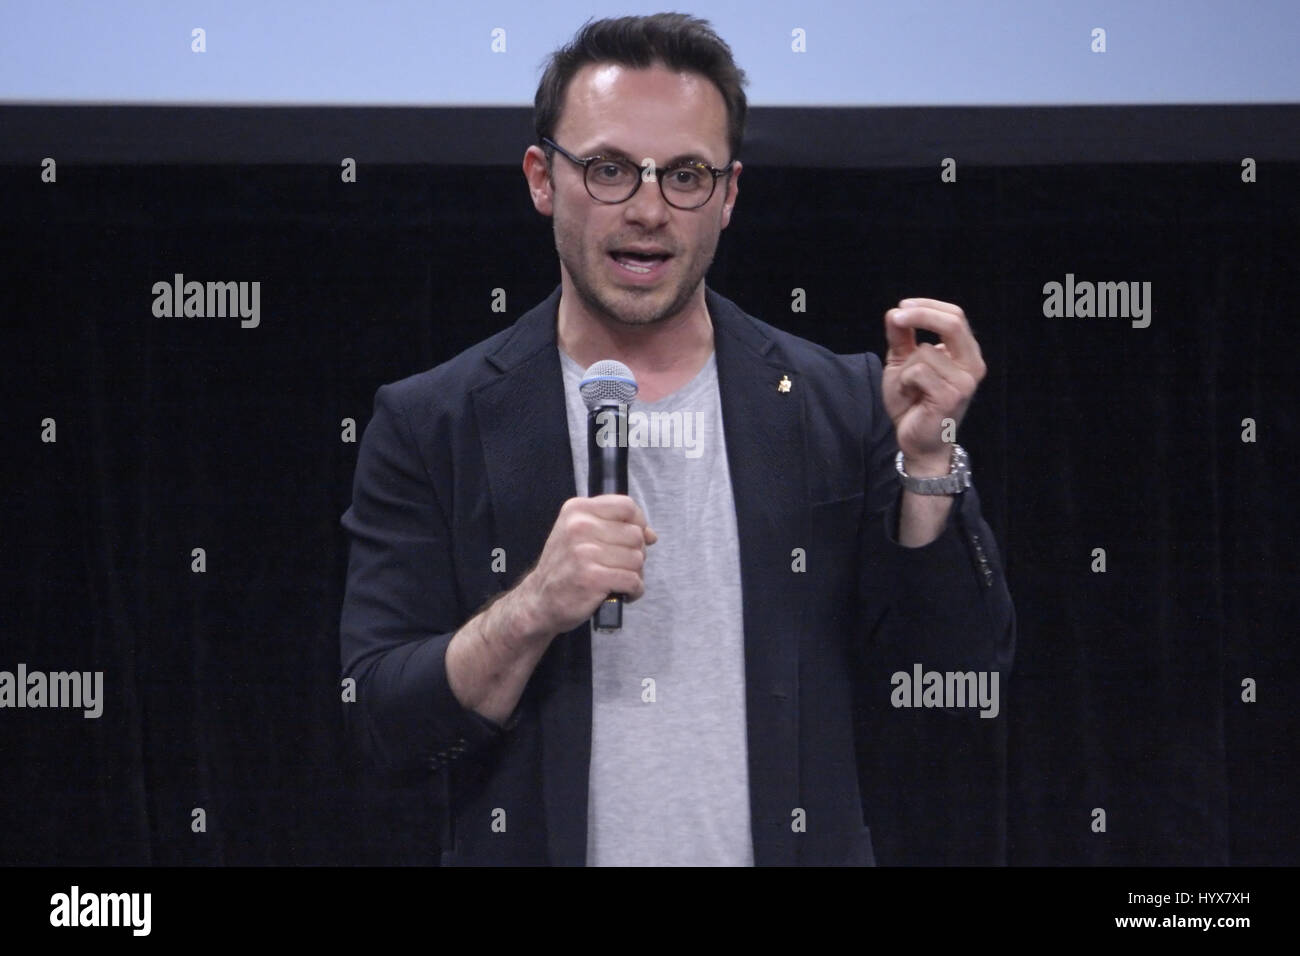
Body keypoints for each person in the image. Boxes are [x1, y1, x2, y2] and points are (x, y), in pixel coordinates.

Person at [339, 12, 1014, 866]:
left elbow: (951, 687)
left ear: (729, 196)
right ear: (543, 179)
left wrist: (925, 467)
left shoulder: (838, 402)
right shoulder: (433, 420)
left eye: (686, 175)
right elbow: (382, 722)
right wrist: (532, 609)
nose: (650, 210)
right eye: (612, 169)